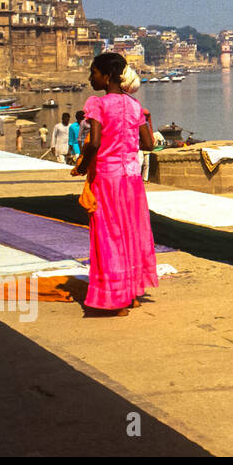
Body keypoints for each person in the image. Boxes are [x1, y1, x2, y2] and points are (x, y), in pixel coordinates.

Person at [71, 53, 157, 316]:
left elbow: (94, 142)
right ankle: (132, 295)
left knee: (109, 237)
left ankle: (115, 300)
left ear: (106, 76)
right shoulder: (134, 106)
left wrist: (82, 167)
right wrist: (127, 145)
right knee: (132, 234)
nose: (90, 77)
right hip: (131, 180)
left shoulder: (98, 104)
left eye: (93, 72)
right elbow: (149, 144)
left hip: (107, 179)